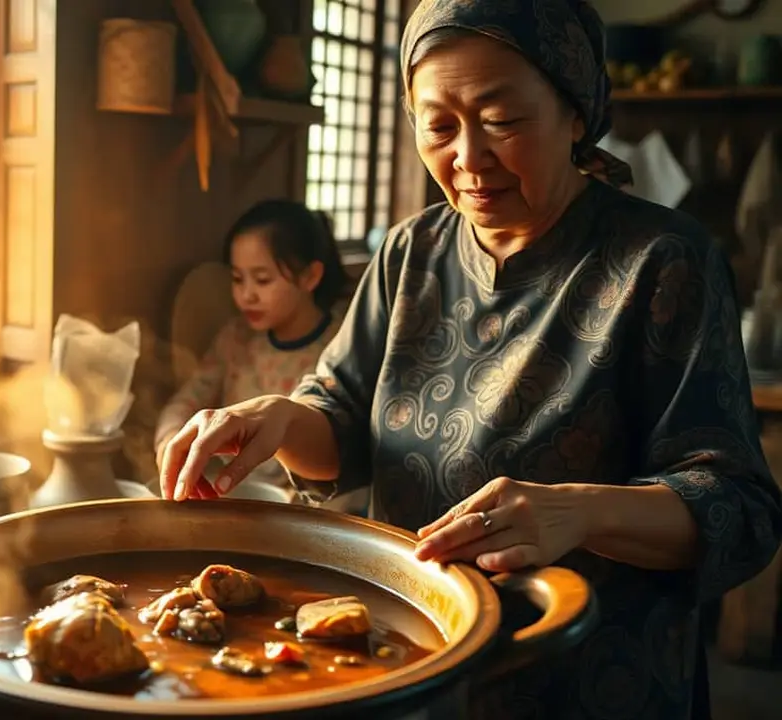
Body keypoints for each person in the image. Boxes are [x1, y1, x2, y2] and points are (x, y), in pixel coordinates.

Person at [157, 1, 782, 718]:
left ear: (575, 114)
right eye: (439, 125)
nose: (468, 159)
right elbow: (342, 417)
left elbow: (739, 507)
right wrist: (279, 417)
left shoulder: (663, 264)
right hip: (415, 666)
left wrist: (575, 513)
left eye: (501, 121)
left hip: (587, 681)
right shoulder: (410, 252)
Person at [154, 200, 351, 497]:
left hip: (314, 509)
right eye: (237, 279)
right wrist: (171, 441)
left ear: (310, 276)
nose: (247, 295)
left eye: (262, 280)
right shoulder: (234, 339)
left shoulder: (342, 342)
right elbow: (186, 401)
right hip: (232, 495)